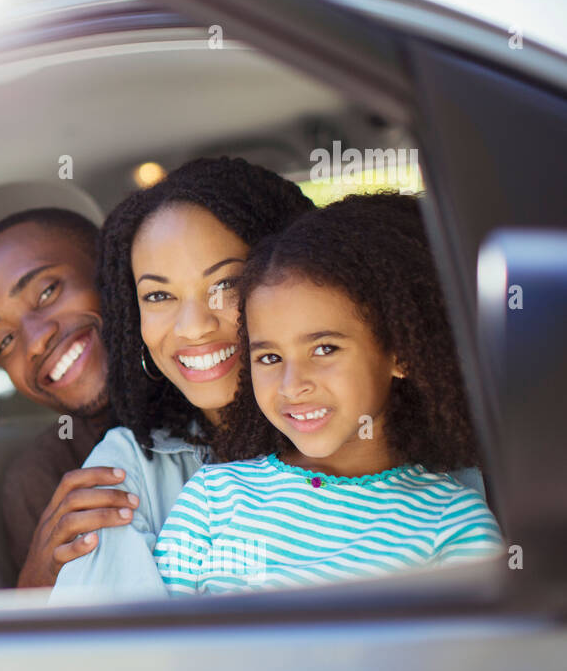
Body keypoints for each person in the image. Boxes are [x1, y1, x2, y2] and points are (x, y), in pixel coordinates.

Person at [152, 193, 501, 594]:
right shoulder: (214, 498)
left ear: (400, 353)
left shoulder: (452, 523)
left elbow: (474, 655)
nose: (292, 384)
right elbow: (152, 650)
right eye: (269, 357)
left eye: (324, 349)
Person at [50, 157, 315, 600]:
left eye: (226, 284)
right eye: (158, 295)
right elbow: (114, 660)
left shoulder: (392, 438)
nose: (192, 327)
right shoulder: (125, 470)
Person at [0, 206, 126, 588]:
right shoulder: (40, 481)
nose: (36, 341)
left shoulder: (242, 400)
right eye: (5, 341)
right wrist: (42, 571)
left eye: (48, 291)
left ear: (111, 268)